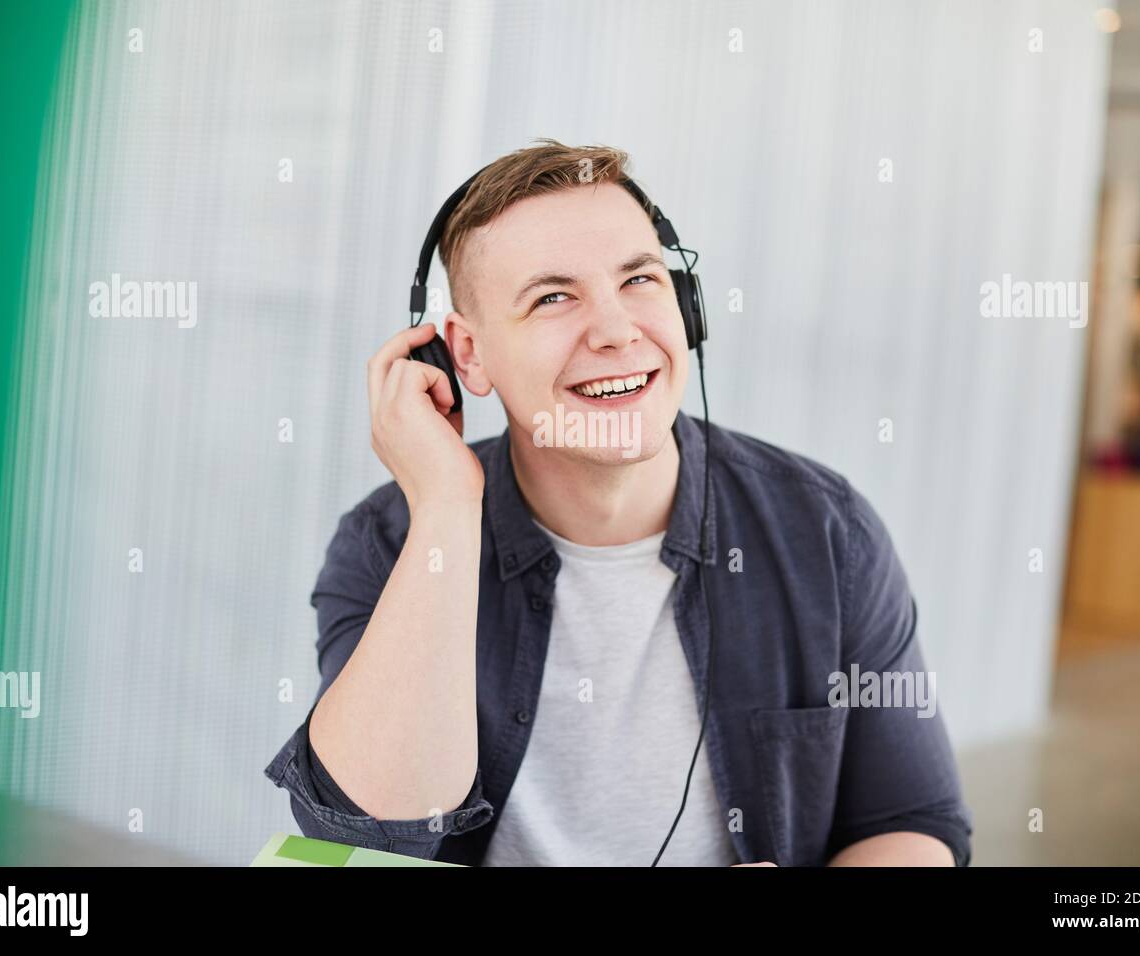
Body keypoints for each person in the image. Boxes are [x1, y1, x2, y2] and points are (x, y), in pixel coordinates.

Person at [264, 139, 973, 866]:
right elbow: (360, 842)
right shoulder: (390, 539)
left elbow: (914, 822)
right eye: (552, 297)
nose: (615, 331)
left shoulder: (827, 532)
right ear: (466, 357)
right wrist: (446, 508)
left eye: (639, 280)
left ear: (685, 305)